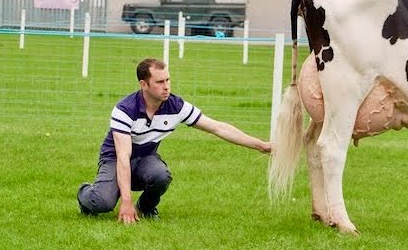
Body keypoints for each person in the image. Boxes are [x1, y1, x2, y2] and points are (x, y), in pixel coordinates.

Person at [77, 58, 272, 222]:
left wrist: (261, 145)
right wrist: (125, 201)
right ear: (144, 85)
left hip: (146, 158)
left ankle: (145, 208)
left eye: (168, 80)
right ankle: (85, 192)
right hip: (115, 159)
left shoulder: (176, 106)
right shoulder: (124, 109)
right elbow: (122, 156)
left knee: (161, 175)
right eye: (160, 82)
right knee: (101, 203)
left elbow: (218, 127)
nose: (167, 86)